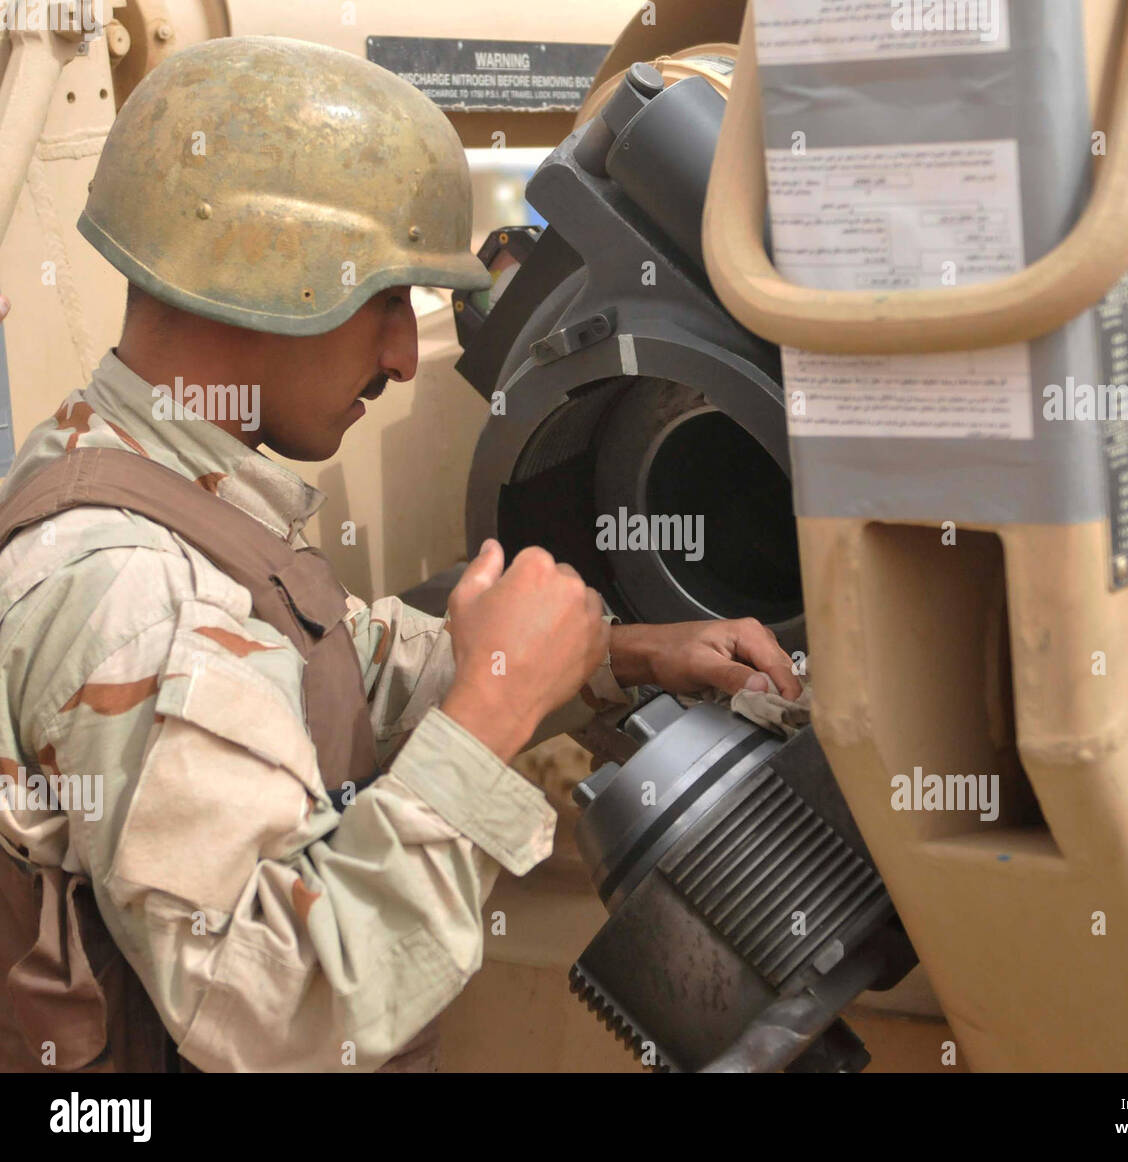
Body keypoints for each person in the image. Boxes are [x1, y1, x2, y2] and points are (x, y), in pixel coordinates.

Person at [0, 36, 800, 1073]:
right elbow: (288, 1010)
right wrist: (494, 710)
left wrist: (621, 652)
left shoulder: (135, 468)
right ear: (266, 276)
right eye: (385, 303)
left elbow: (317, 659)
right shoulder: (133, 591)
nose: (395, 356)